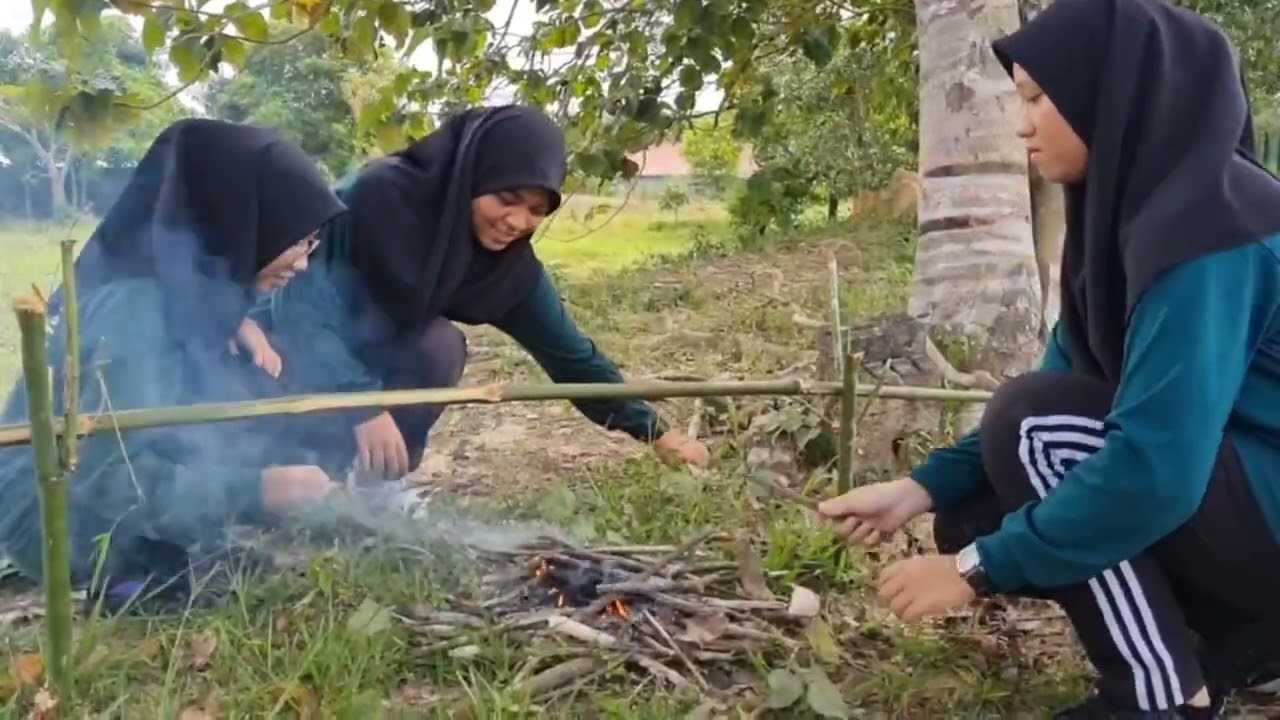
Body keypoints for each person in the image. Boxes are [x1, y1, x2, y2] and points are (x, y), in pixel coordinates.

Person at [815, 0, 1280, 717]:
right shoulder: (1127, 224)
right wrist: (919, 489)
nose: (1022, 122)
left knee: (1029, 436)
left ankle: (1158, 695)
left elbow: (1154, 468)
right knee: (973, 507)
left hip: (1259, 507)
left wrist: (976, 571)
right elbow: (1068, 375)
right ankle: (1237, 640)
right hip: (1245, 503)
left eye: (1038, 97)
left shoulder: (1214, 231)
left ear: (1113, 94)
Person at [0, 118, 346, 610]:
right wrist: (256, 490)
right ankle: (124, 582)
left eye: (311, 243)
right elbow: (108, 474)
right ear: (238, 220)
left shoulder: (195, 289)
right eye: (294, 240)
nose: (303, 262)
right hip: (51, 516)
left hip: (113, 489)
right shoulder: (130, 312)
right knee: (194, 584)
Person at [260, 104, 709, 479]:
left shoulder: (507, 269)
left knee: (438, 346)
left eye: (537, 210)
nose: (517, 222)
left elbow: (571, 357)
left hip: (370, 359)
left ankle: (374, 487)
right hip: (272, 349)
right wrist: (360, 406)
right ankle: (279, 472)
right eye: (506, 199)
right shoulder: (376, 197)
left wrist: (657, 433)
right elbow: (297, 310)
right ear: (470, 178)